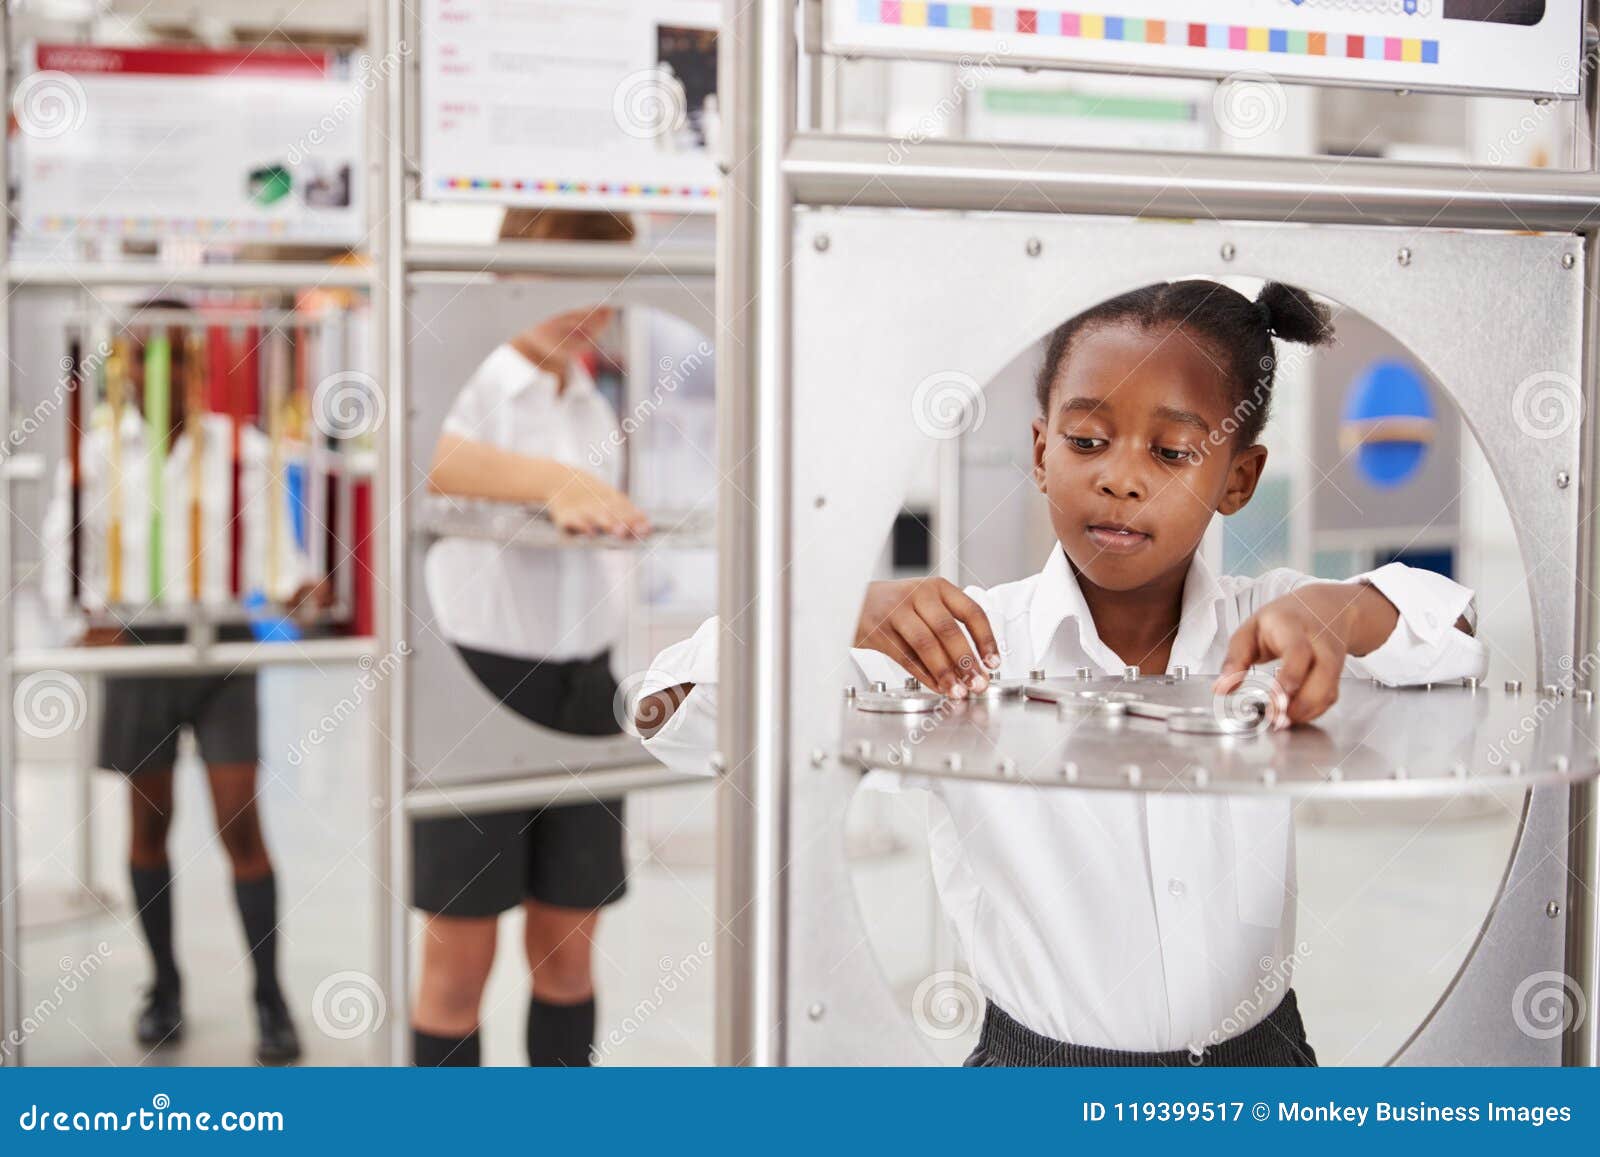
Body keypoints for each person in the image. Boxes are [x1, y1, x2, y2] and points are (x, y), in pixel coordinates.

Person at [634, 279, 1487, 1066]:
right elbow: (670, 714)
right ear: (1042, 452)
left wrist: (1338, 610)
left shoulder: (1274, 630)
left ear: (1239, 478)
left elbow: (1457, 630)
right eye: (1087, 440)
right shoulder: (955, 646)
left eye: (1172, 453)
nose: (1119, 477)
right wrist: (831, 614)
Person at [411, 208, 650, 1067]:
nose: (589, 308)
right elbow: (417, 450)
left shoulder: (589, 400)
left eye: (606, 289)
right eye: (563, 284)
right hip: (476, 690)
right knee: (457, 959)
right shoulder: (465, 379)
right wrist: (548, 481)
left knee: (568, 950)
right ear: (512, 275)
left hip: (587, 688)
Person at [46, 313, 314, 1064]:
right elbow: (69, 562)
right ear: (124, 368)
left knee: (241, 823)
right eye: (145, 359)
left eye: (179, 360)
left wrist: (295, 589)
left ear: (201, 367)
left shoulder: (241, 450)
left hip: (221, 644)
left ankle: (269, 993)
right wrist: (84, 615)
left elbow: (280, 556)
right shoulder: (96, 456)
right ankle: (163, 986)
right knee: (146, 826)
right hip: (141, 646)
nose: (161, 375)